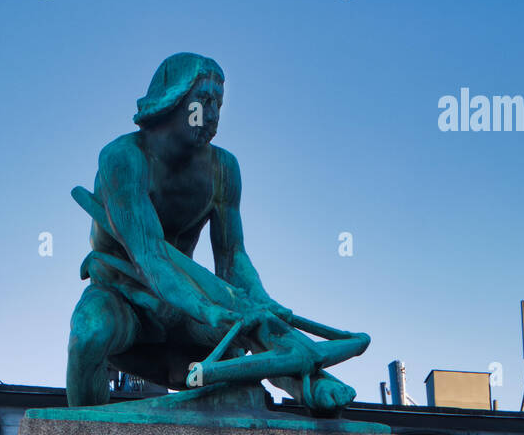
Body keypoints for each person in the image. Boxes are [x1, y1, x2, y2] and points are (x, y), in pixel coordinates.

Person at [67, 52, 367, 412]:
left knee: (253, 323)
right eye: (204, 100)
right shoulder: (124, 158)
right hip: (124, 291)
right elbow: (150, 255)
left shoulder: (223, 168)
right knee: (88, 334)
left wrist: (261, 299)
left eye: (219, 105)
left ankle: (310, 381)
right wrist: (207, 310)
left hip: (184, 302)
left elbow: (233, 257)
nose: (212, 116)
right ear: (171, 100)